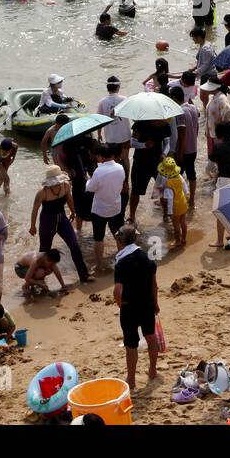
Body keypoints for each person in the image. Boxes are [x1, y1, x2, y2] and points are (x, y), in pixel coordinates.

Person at [113, 224, 160, 390]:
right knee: (151, 336)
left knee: (131, 344)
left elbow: (117, 291)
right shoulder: (148, 258)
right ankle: (153, 370)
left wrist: (121, 306)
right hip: (147, 303)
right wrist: (155, 302)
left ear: (119, 240)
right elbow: (154, 284)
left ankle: (131, 379)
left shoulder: (121, 263)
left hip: (129, 307)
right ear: (136, 238)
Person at [85, 145, 127, 267]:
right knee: (118, 234)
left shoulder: (99, 171)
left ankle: (99, 265)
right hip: (116, 207)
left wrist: (88, 179)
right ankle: (122, 259)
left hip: (100, 210)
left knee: (98, 238)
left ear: (100, 157)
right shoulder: (120, 167)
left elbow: (90, 188)